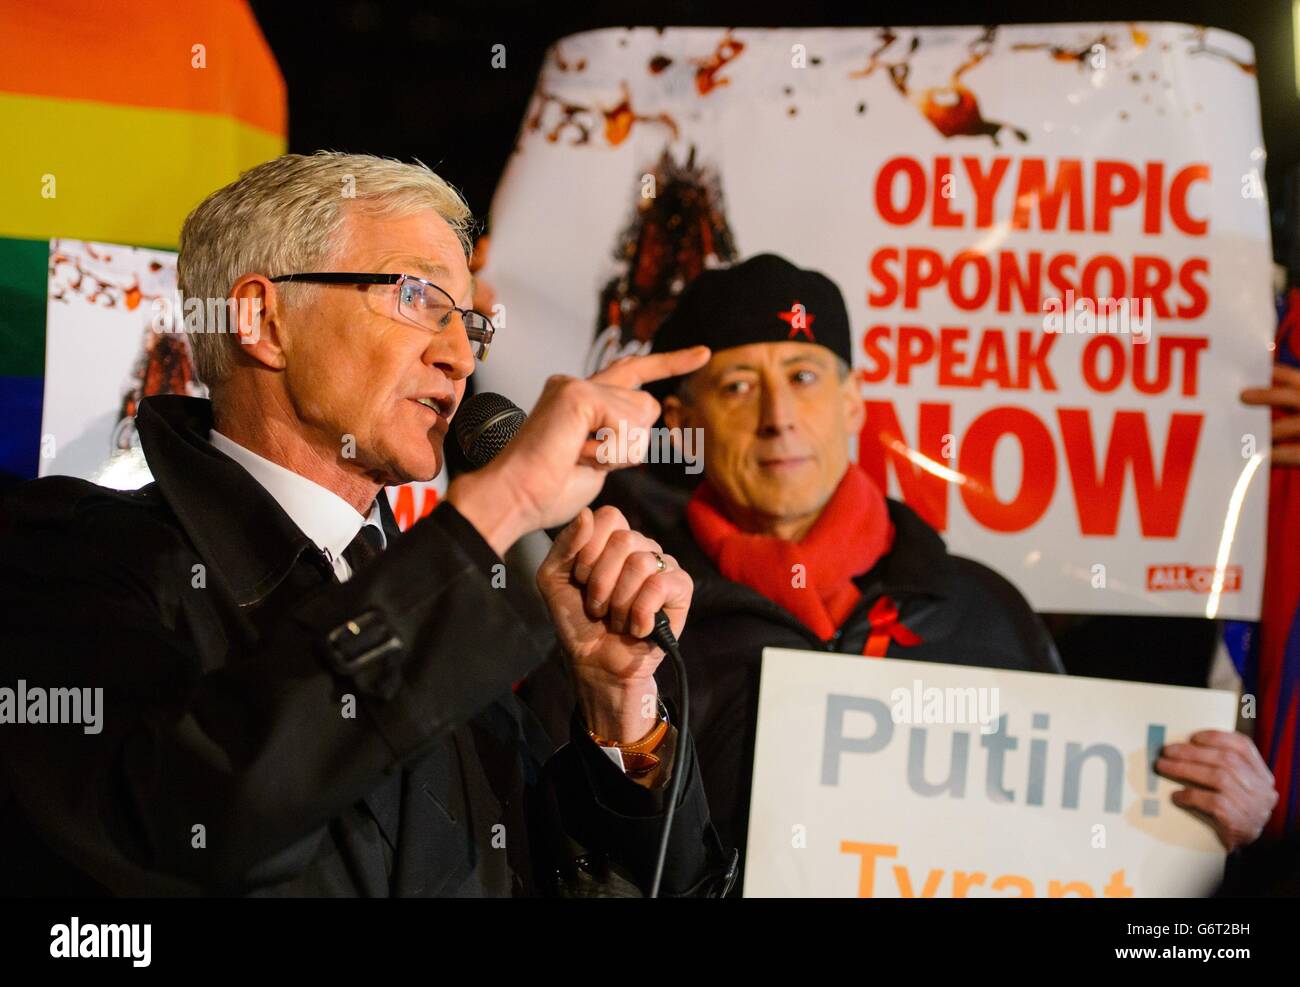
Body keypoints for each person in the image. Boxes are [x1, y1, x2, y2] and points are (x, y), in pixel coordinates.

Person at [0, 151, 736, 897]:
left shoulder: (454, 641)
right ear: (262, 320)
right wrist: (502, 504)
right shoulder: (71, 557)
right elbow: (183, 821)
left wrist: (622, 717)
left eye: (469, 323)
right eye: (416, 297)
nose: (458, 357)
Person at [524, 253, 1278, 888]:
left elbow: (1083, 852)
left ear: (854, 405)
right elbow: (569, 867)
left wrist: (1220, 832)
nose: (779, 415)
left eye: (806, 375)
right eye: (737, 385)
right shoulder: (618, 625)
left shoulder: (986, 610)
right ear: (684, 421)